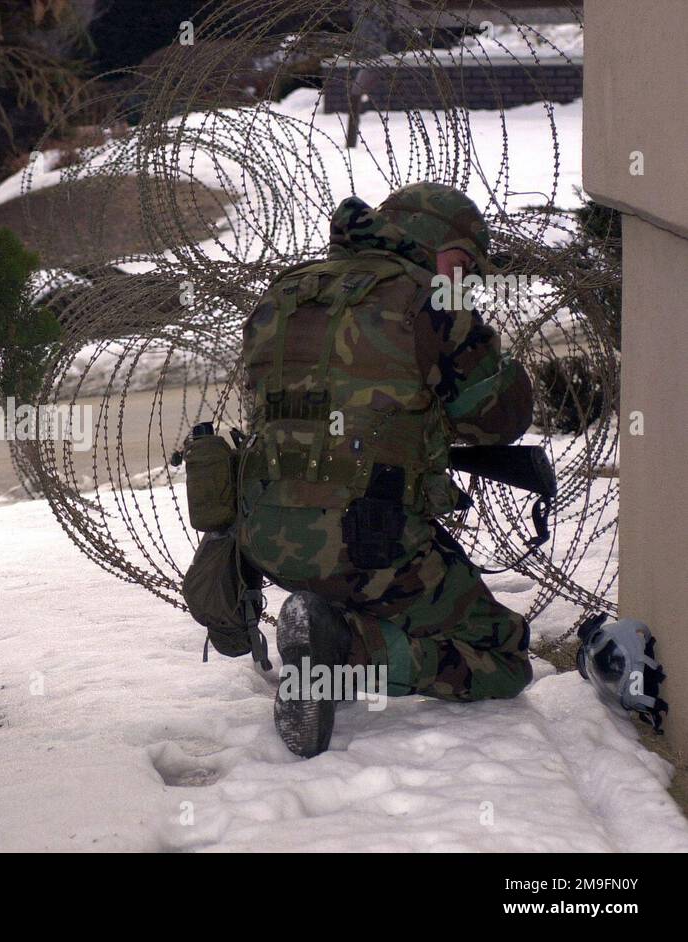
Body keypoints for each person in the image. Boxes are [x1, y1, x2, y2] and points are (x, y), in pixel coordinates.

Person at [238, 182, 534, 757]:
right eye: (465, 263)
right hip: (371, 546)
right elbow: (499, 420)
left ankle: (324, 620)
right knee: (502, 657)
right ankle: (343, 655)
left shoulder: (287, 291)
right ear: (431, 241)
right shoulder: (431, 301)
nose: (468, 279)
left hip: (270, 539)